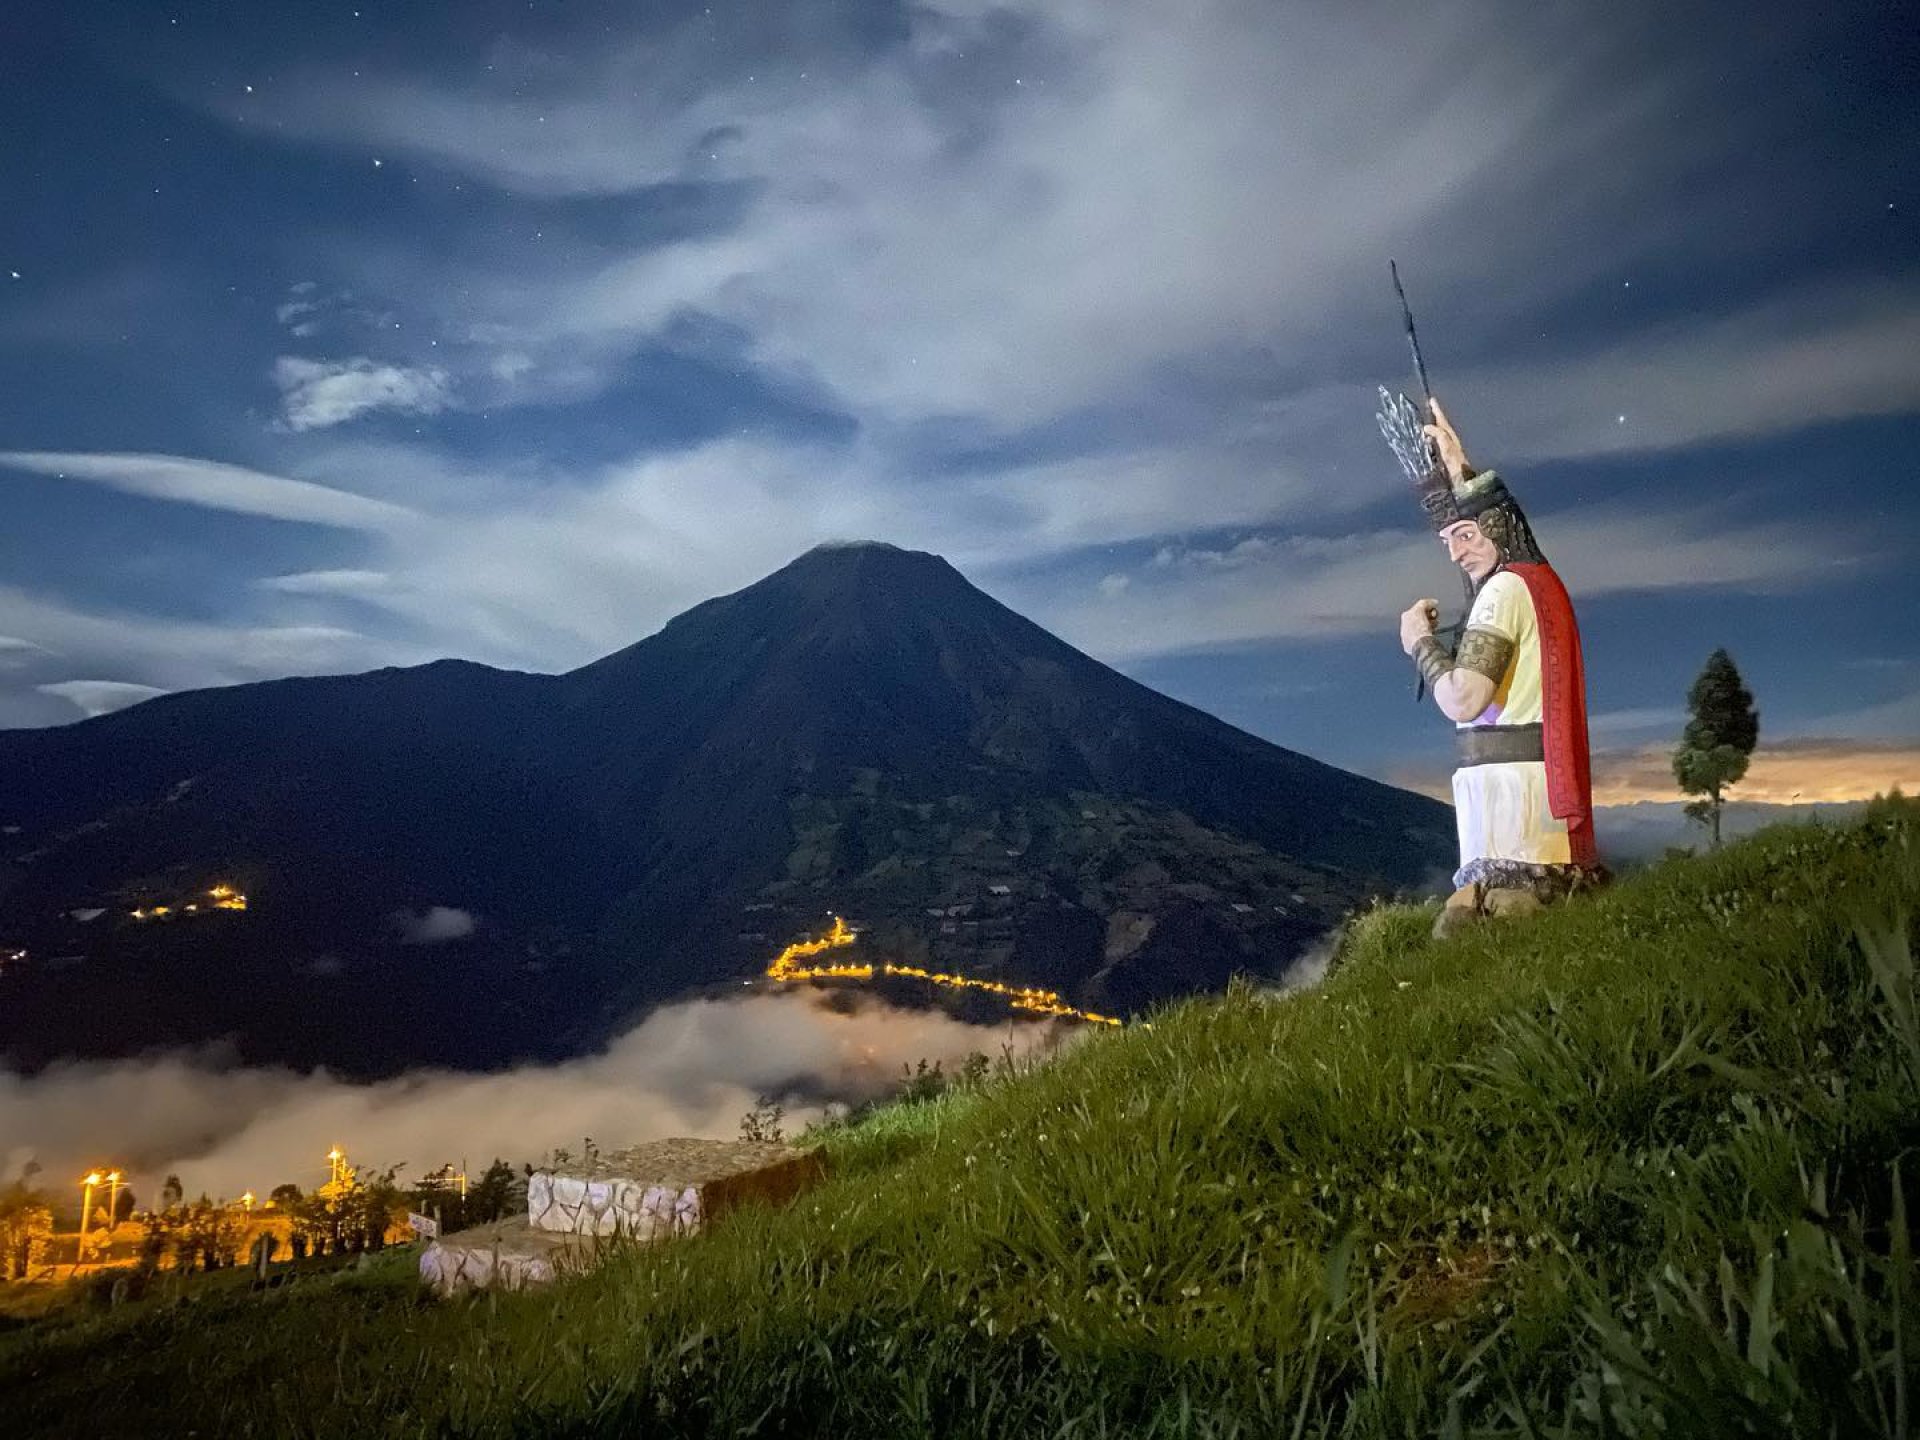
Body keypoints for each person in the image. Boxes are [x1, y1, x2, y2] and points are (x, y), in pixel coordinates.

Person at [1395, 398, 1601, 938]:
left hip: (1515, 806)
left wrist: (1420, 644)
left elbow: (1464, 699)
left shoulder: (1504, 592)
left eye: (1466, 535)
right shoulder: (1533, 582)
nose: (1456, 553)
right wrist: (1458, 468)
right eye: (1447, 541)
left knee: (1500, 928)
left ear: (1497, 528)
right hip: (1521, 796)